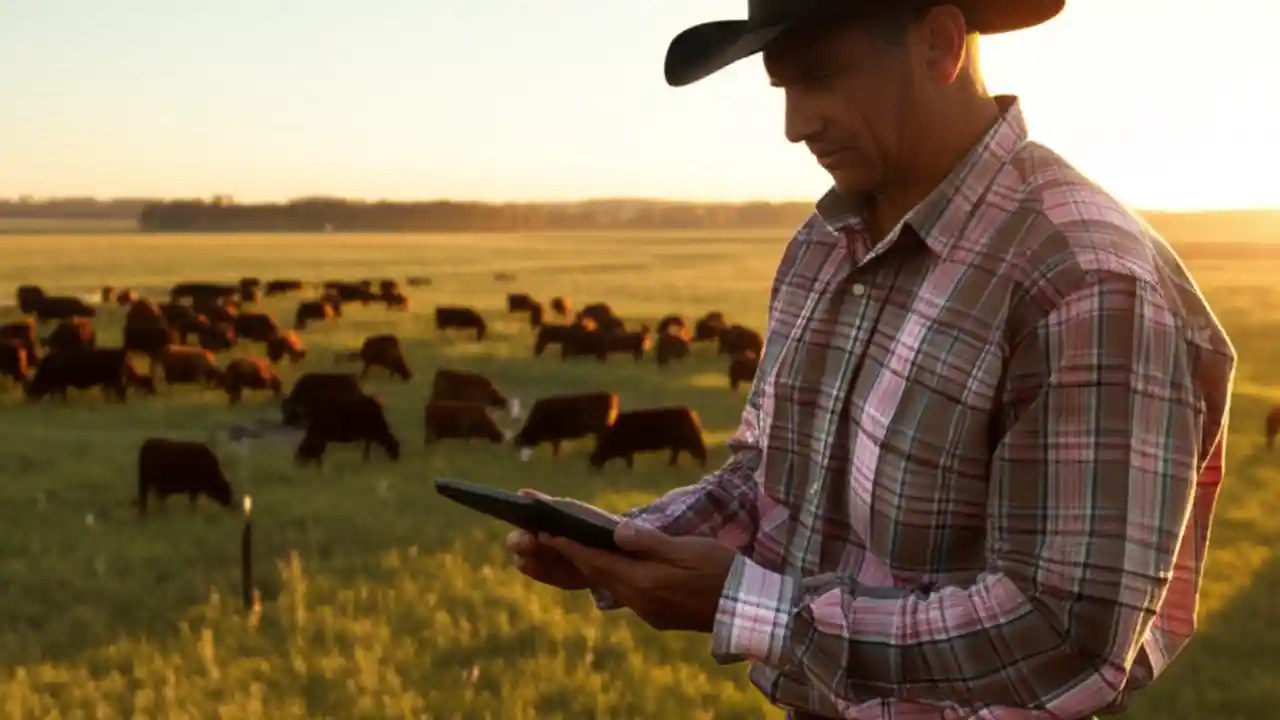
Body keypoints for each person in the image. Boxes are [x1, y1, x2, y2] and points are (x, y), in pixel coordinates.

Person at [507, 1, 1237, 717]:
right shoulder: (821, 247)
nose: (795, 126)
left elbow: (1065, 634)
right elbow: (770, 481)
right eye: (783, 90)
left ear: (940, 45)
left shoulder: (1082, 278)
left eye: (821, 77)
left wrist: (752, 609)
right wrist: (622, 544)